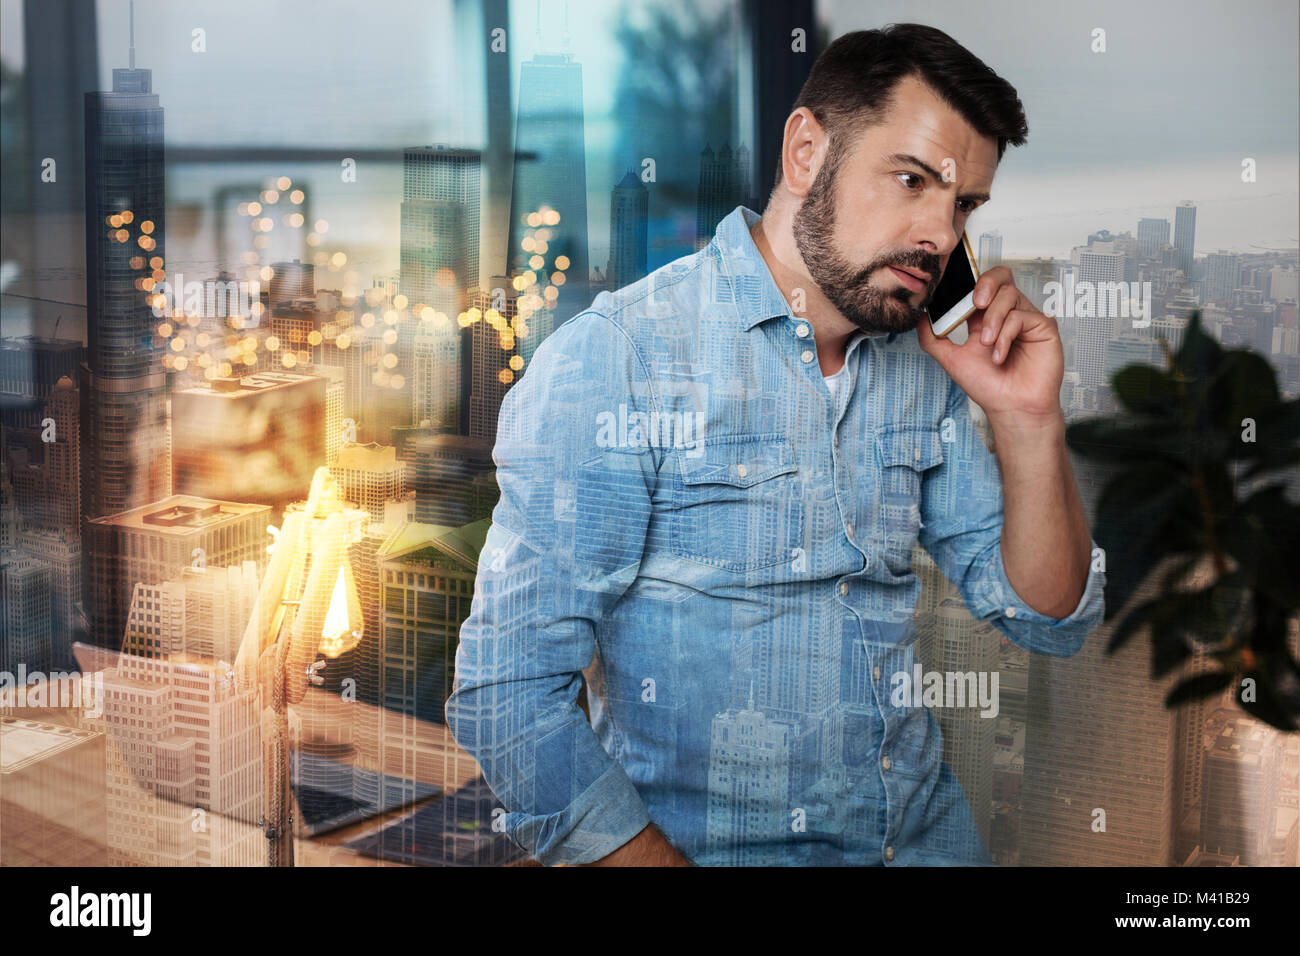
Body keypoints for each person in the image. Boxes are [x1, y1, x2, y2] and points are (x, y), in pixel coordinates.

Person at [446, 23, 1105, 866]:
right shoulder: (622, 359)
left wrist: (1027, 418)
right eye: (912, 180)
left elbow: (1045, 618)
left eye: (964, 204)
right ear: (806, 153)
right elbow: (507, 696)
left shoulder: (922, 363)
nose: (940, 233)